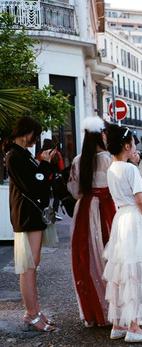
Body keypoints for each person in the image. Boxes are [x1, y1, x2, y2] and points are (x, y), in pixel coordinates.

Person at [103, 123, 142, 343]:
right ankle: (134, 328)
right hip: (133, 219)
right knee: (135, 271)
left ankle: (118, 324)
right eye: (133, 143)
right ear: (127, 145)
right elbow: (141, 200)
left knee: (121, 272)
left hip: (120, 219)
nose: (135, 147)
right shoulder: (130, 169)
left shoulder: (112, 168)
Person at [6, 116, 57, 332]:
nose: (34, 140)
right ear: (26, 132)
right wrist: (44, 164)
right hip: (26, 216)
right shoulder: (14, 156)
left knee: (32, 265)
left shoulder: (22, 155)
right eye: (34, 135)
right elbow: (34, 185)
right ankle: (31, 314)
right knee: (28, 267)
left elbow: (38, 182)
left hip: (31, 215)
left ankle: (34, 311)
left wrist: (42, 166)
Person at [67, 116, 116, 327]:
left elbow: (75, 191)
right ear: (101, 136)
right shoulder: (109, 159)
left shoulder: (79, 160)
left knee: (87, 259)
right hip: (106, 210)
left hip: (85, 212)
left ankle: (94, 312)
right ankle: (114, 310)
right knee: (111, 258)